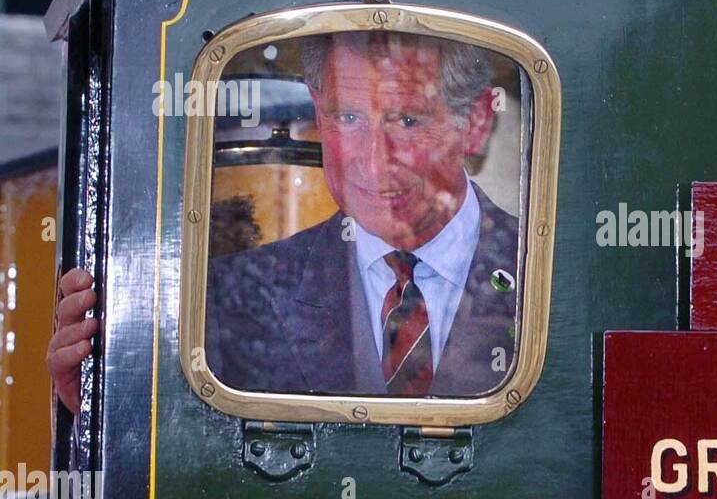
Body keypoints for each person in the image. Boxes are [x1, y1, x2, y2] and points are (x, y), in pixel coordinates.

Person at [48, 31, 519, 409]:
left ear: (476, 122)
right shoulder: (220, 302)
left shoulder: (558, 286)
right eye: (349, 117)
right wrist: (90, 408)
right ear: (318, 110)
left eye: (408, 122)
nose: (375, 164)